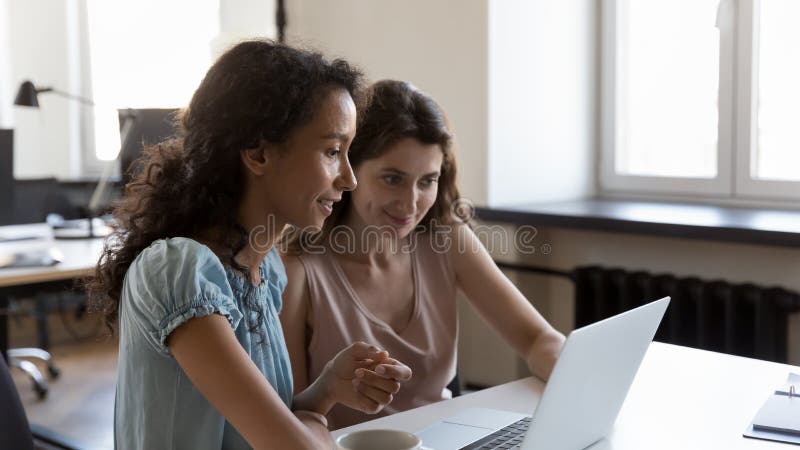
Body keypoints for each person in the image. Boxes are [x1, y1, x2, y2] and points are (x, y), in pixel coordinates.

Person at [86, 41, 411, 450]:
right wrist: (312, 427)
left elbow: (245, 430)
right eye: (332, 151)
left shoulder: (265, 270)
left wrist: (325, 389)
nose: (349, 179)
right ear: (258, 154)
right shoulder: (178, 270)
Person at [280, 79, 566, 429]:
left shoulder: (446, 238)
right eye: (392, 179)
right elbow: (290, 414)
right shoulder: (298, 270)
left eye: (427, 181)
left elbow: (537, 338)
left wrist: (579, 379)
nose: (411, 204)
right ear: (349, 170)